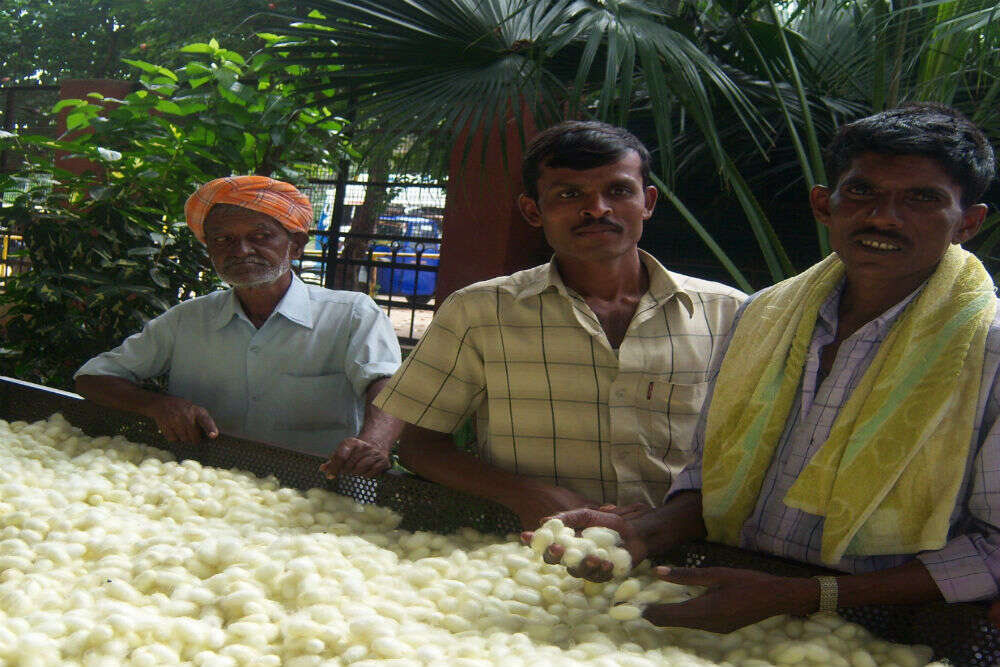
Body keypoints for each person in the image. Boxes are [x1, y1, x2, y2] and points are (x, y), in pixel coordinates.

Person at [532, 104, 1000, 632]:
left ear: (969, 222)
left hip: (888, 635)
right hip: (741, 617)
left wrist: (803, 595)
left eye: (923, 198)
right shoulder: (765, 316)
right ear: (825, 205)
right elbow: (712, 482)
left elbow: (993, 551)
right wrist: (640, 536)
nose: (883, 218)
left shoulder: (988, 349)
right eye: (864, 192)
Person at [373, 121, 746, 529]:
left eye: (619, 191)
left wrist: (665, 526)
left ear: (647, 202)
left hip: (685, 556)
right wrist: (526, 494)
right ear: (533, 210)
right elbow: (420, 446)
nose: (597, 209)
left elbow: (752, 453)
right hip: (528, 557)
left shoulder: (729, 315)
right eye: (570, 194)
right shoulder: (478, 312)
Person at [75, 176, 403, 478]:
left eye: (261, 236)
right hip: (201, 486)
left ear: (297, 244)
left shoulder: (351, 315)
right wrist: (157, 405)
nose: (242, 250)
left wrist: (374, 443)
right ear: (209, 251)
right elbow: (92, 378)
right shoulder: (186, 320)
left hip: (319, 492)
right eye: (223, 239)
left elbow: (390, 386)